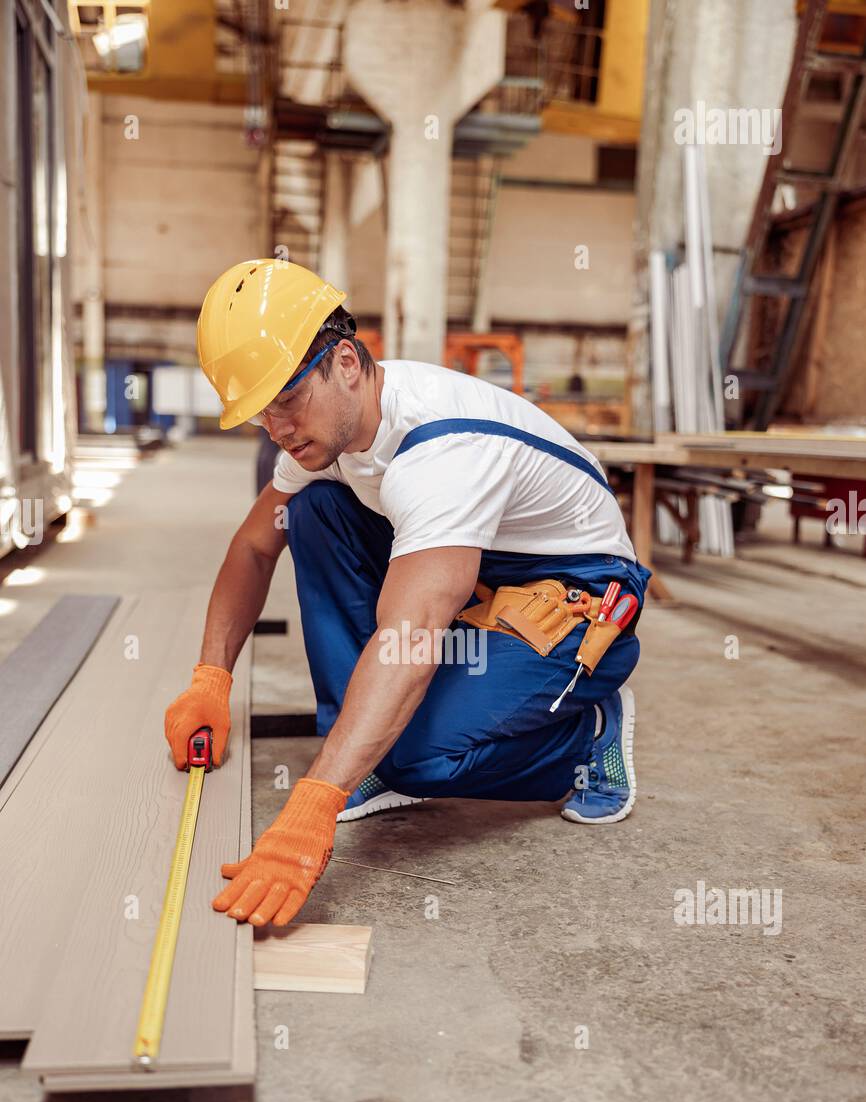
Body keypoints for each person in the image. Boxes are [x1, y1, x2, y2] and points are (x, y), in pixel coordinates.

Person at [164, 259, 651, 929]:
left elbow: (412, 635)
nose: (276, 428)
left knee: (425, 759)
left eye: (285, 399)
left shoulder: (443, 451)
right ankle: (362, 745)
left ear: (346, 363)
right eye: (260, 414)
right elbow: (254, 545)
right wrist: (210, 677)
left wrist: (314, 803)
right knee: (311, 510)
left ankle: (588, 731)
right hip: (481, 570)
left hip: (573, 592)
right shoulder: (323, 434)